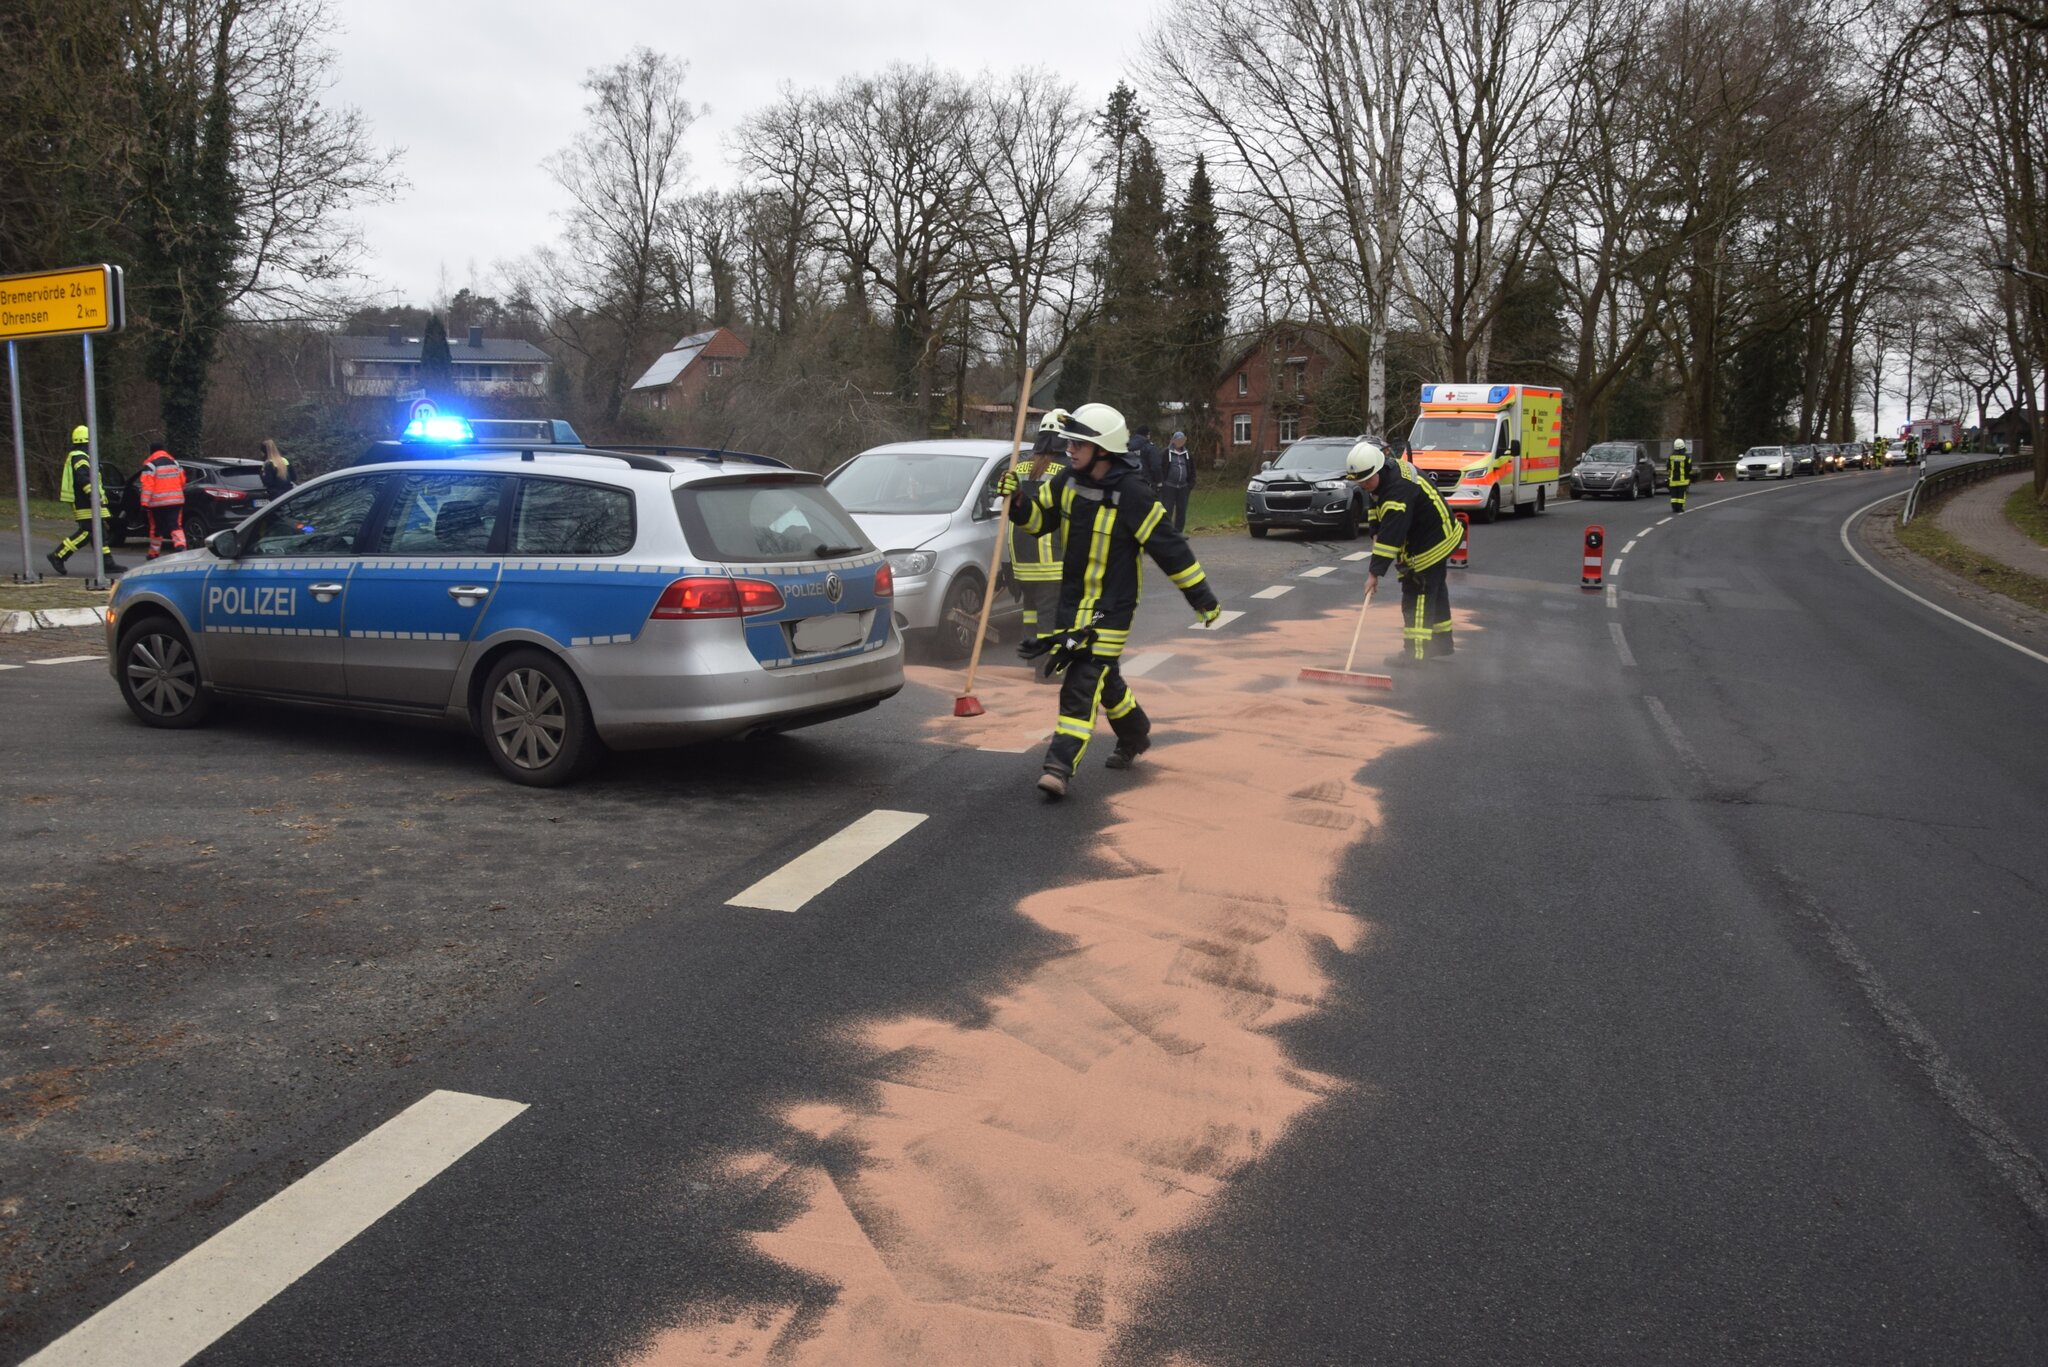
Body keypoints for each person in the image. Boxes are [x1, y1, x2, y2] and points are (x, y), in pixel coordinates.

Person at [1000, 403, 1221, 800]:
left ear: (1102, 449)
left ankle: (1058, 767)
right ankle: (1135, 734)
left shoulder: (1134, 494)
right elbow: (1041, 522)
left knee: (1081, 680)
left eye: (1078, 443)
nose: (1069, 449)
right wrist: (1018, 502)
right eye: (1069, 442)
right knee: (1104, 678)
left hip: (1111, 608)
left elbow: (1170, 549)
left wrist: (1202, 599)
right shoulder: (1067, 480)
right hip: (1072, 603)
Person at [1352, 440, 1459, 666]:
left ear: (1377, 470)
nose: (1364, 486)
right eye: (1360, 483)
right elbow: (1375, 506)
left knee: (1417, 591)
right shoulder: (1381, 476)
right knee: (1434, 590)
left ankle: (1416, 653)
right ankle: (1440, 643)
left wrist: (1374, 574)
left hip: (1431, 540)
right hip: (1438, 531)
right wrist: (1373, 531)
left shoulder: (1398, 491)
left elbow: (1391, 538)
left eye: (1366, 481)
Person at [1009, 414, 1069, 683]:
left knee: (1031, 613)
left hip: (1022, 557)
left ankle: (1033, 660)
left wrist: (1005, 564)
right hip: (1052, 557)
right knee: (1049, 616)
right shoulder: (1067, 470)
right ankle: (1046, 671)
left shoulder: (1020, 467)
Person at [46, 424, 125, 578]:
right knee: (87, 532)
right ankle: (58, 556)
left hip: (90, 501)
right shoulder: (80, 457)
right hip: (85, 502)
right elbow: (84, 479)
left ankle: (107, 563)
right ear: (86, 441)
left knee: (100, 533)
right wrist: (94, 495)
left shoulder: (82, 456)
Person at [137, 446, 189, 558]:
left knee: (156, 528)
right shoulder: (175, 464)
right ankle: (180, 545)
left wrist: (144, 504)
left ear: (152, 452)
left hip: (157, 503)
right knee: (175, 525)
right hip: (175, 501)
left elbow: (147, 487)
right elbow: (183, 481)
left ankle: (154, 552)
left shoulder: (151, 466)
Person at [1161, 430, 1196, 531]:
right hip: (1169, 486)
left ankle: (1178, 533)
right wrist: (1163, 483)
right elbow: (1160, 468)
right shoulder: (1166, 453)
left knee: (1181, 511)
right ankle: (1167, 532)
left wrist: (1191, 484)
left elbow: (1192, 469)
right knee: (1168, 510)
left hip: (1183, 487)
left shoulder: (1187, 454)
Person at [1668, 438, 1692, 513]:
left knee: (1674, 496)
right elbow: (1689, 468)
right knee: (1681, 495)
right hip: (1682, 481)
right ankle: (1680, 508)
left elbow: (1668, 467)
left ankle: (1674, 508)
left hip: (1673, 480)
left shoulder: (1671, 456)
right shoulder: (1687, 457)